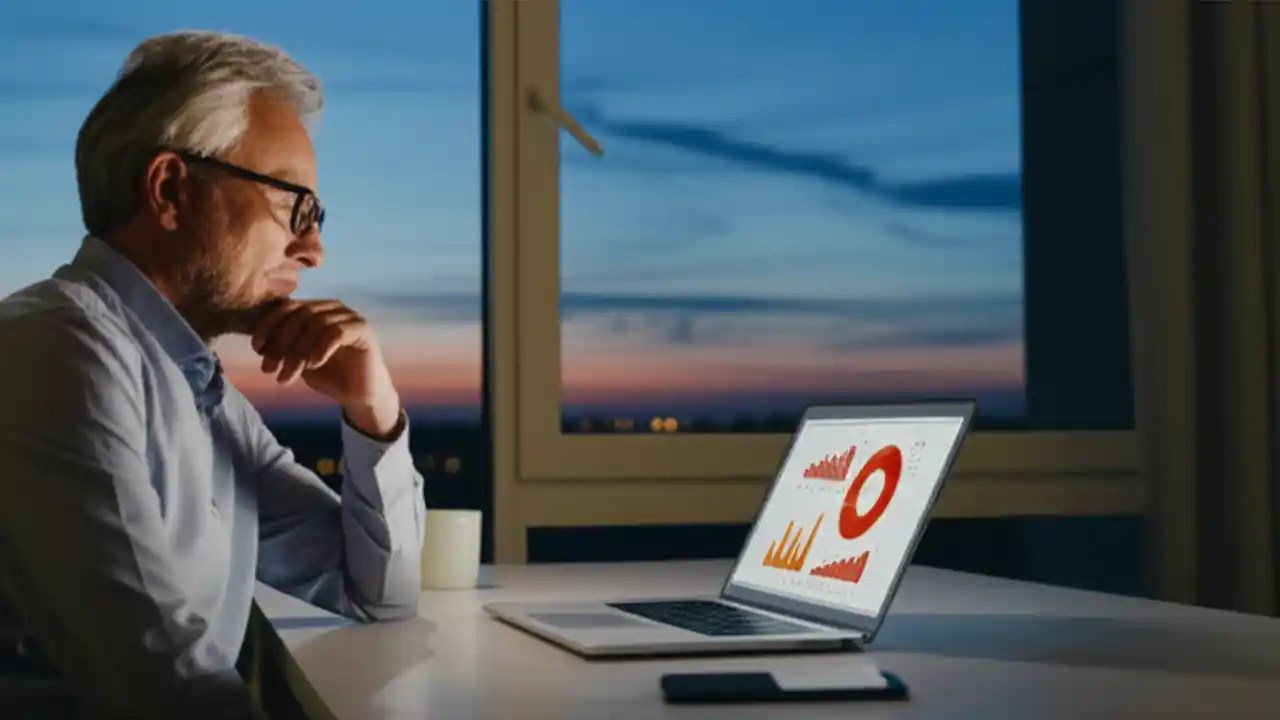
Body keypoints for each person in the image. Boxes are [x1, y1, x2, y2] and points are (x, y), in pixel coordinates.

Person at [0, 31, 426, 718]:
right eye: (296, 205)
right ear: (170, 189)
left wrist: (372, 410)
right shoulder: (62, 353)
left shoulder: (195, 386)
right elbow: (165, 689)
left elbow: (379, 592)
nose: (314, 249)